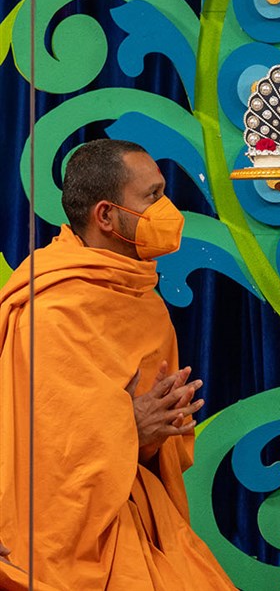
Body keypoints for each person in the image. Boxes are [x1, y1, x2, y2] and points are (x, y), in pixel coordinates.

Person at [0, 139, 235, 590]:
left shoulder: (147, 303)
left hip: (138, 509)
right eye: (152, 197)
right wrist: (129, 426)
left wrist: (152, 433)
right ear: (106, 216)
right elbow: (49, 459)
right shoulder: (50, 309)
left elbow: (151, 447)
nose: (167, 209)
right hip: (69, 535)